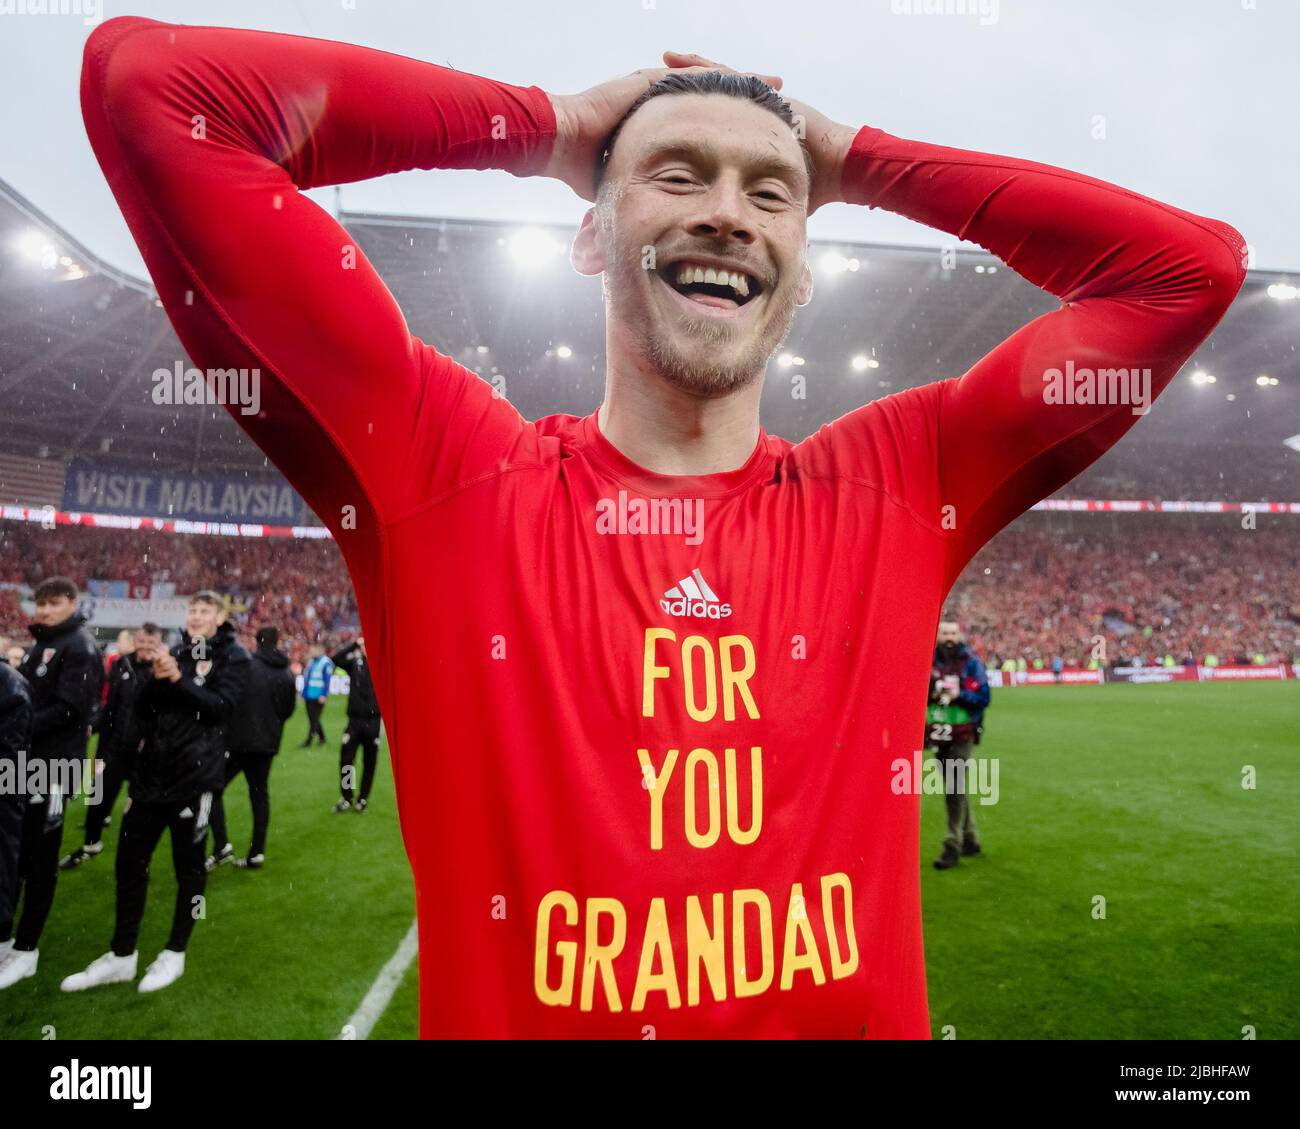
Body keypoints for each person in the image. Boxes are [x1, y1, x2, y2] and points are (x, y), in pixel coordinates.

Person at [82, 19, 1245, 1036]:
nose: (729, 214)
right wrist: (547, 127)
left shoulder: (900, 484)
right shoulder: (445, 472)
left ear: (800, 276)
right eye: (677, 176)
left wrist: (859, 161)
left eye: (770, 193)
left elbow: (1187, 272)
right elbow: (153, 88)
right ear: (589, 238)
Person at [60, 592, 250, 994]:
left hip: (195, 780)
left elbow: (221, 709)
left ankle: (175, 952)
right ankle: (122, 955)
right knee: (129, 862)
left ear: (219, 617)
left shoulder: (234, 657)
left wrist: (178, 680)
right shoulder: (177, 650)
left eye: (204, 611)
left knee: (189, 869)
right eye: (192, 610)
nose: (196, 616)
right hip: (151, 777)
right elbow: (143, 709)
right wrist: (156, 676)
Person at [0, 578, 102, 990]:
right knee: (14, 850)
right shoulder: (45, 644)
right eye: (40, 603)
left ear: (72, 604)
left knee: (40, 857)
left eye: (53, 603)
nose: (44, 610)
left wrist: (19, 726)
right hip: (26, 761)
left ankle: (27, 951)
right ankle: (7, 937)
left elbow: (70, 711)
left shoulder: (80, 646)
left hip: (55, 768)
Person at [61, 622, 163, 870]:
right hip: (115, 746)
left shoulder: (163, 670)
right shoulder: (122, 664)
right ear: (136, 640)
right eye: (143, 641)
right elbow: (111, 706)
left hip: (145, 753)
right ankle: (91, 845)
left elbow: (164, 714)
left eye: (152, 643)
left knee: (140, 807)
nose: (146, 647)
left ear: (158, 644)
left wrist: (150, 738)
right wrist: (93, 726)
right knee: (97, 798)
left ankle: (137, 857)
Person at [208, 625, 295, 869]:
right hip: (266, 744)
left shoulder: (247, 666)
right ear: (277, 640)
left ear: (257, 641)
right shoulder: (286, 672)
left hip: (238, 742)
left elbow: (231, 700)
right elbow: (287, 710)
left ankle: (221, 845)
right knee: (259, 796)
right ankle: (257, 852)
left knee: (212, 788)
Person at [926, 622, 991, 871]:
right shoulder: (930, 661)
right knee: (956, 787)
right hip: (938, 733)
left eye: (953, 633)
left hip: (962, 734)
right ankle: (971, 839)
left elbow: (984, 698)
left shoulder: (972, 663)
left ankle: (952, 844)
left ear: (960, 635)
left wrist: (959, 695)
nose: (949, 637)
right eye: (944, 633)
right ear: (938, 635)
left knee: (954, 788)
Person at [0, 661, 34, 972]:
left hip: (6, 790)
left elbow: (12, 750)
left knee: (4, 861)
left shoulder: (10, 683)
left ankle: (3, 939)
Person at [330, 636, 381, 813]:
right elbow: (335, 659)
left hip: (373, 722)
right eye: (364, 644)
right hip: (354, 721)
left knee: (370, 762)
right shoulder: (355, 663)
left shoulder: (382, 664)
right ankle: (347, 797)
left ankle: (363, 798)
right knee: (346, 760)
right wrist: (354, 644)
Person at [299, 644, 332, 748]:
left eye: (312, 650)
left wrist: (324, 694)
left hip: (318, 695)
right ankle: (322, 738)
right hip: (310, 694)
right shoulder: (311, 662)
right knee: (313, 719)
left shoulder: (326, 662)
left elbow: (327, 680)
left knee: (314, 719)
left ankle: (308, 741)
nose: (310, 652)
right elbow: (307, 678)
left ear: (319, 650)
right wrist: (303, 693)